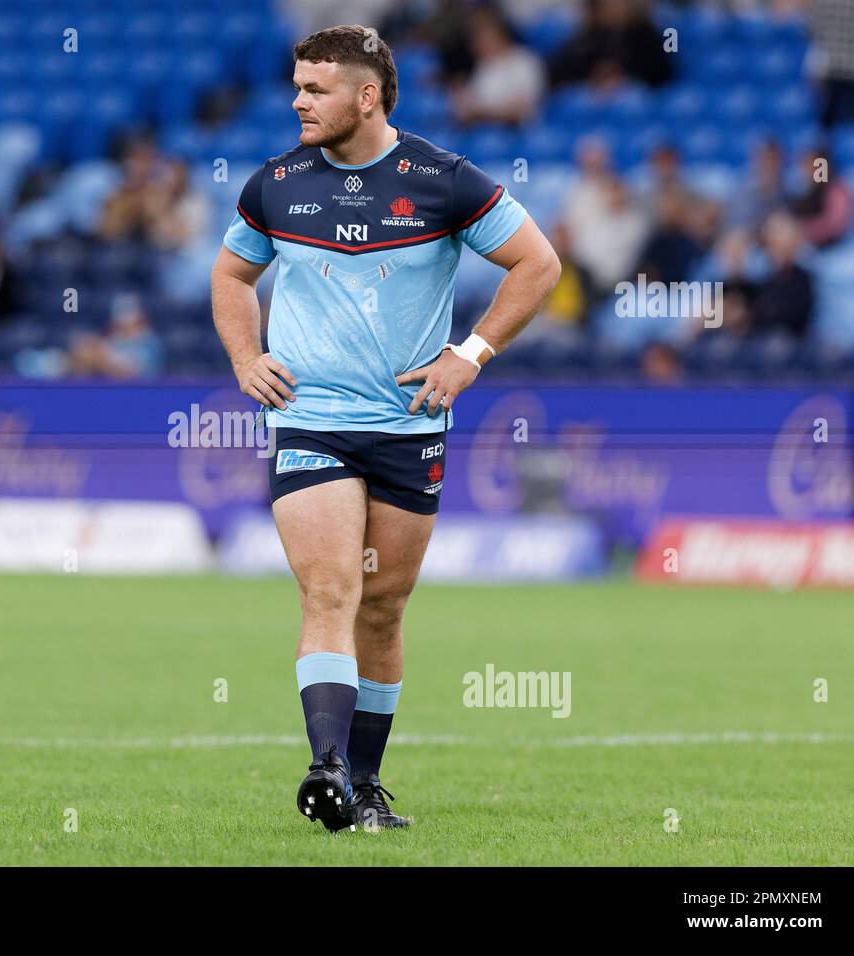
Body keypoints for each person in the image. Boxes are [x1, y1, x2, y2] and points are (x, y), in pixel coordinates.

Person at [210, 25, 559, 832]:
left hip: (409, 425)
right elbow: (231, 274)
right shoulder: (277, 184)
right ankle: (326, 768)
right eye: (296, 86)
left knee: (384, 606)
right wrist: (244, 356)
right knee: (330, 590)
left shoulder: (442, 180)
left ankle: (364, 787)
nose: (298, 101)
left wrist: (470, 354)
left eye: (315, 88)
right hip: (313, 421)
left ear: (367, 96)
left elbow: (538, 264)